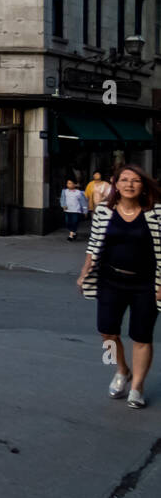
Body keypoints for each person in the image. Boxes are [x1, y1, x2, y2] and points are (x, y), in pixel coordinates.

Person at [77, 164, 161, 409]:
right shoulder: (104, 210)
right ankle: (122, 370)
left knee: (142, 336)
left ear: (143, 185)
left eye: (135, 180)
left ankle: (137, 388)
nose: (130, 184)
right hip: (110, 280)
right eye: (124, 180)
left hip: (146, 283)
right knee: (106, 331)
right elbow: (93, 246)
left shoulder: (156, 212)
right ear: (116, 184)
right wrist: (84, 273)